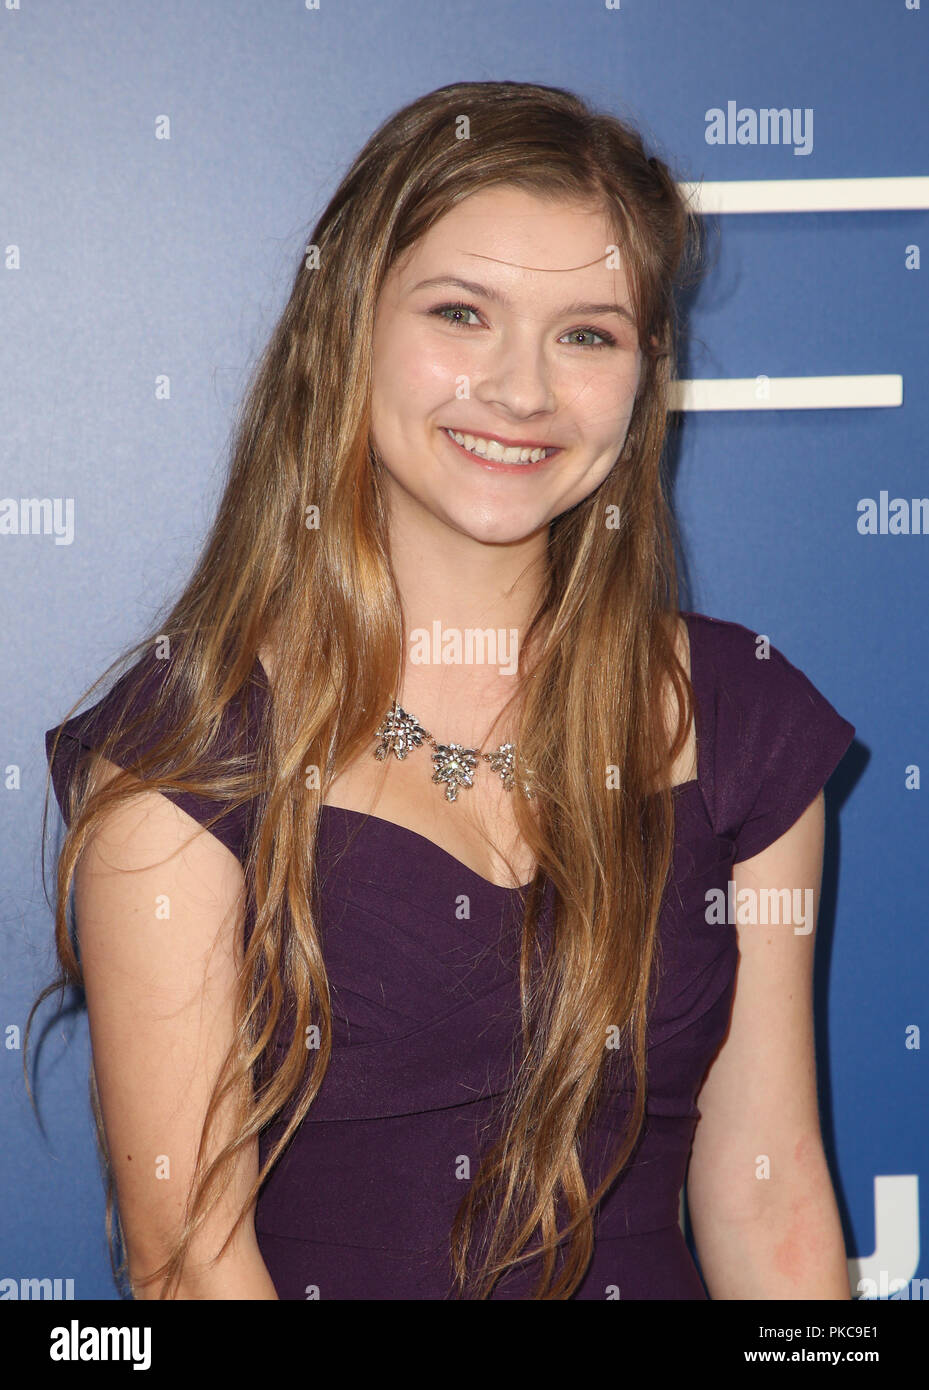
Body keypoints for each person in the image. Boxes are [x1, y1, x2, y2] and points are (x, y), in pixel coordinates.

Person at [35, 80, 856, 1300]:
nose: (522, 389)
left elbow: (768, 1187)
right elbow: (186, 1263)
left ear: (642, 379)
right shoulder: (189, 747)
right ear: (346, 329)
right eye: (462, 313)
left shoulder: (738, 716)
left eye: (587, 333)